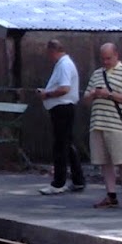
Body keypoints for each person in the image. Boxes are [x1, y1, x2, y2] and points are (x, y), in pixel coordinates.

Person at [83, 42, 122, 209]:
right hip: (98, 123)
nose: (105, 62)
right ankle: (111, 194)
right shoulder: (97, 74)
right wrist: (93, 94)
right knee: (104, 161)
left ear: (116, 56)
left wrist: (110, 95)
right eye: (103, 58)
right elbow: (85, 100)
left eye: (108, 58)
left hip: (116, 125)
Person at [33, 39, 85, 195]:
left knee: (60, 146)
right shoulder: (65, 63)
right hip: (62, 107)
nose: (49, 57)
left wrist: (47, 94)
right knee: (67, 144)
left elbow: (64, 88)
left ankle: (58, 182)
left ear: (52, 51)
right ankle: (78, 179)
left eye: (49, 53)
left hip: (62, 107)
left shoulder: (63, 65)